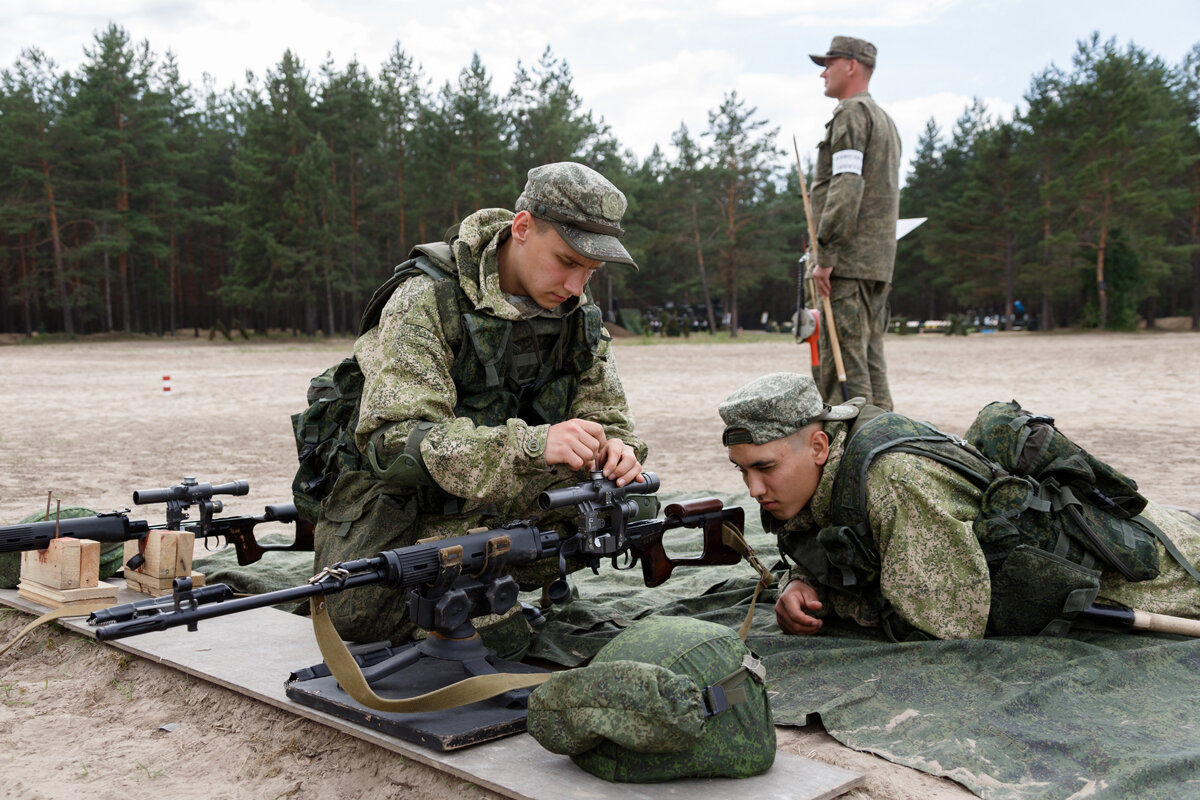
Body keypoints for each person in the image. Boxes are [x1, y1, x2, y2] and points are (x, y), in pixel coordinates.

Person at [314, 162, 648, 649]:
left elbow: (610, 418)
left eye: (590, 271)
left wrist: (618, 449)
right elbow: (395, 444)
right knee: (356, 610)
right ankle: (471, 576)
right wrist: (533, 446)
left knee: (629, 504)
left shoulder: (578, 315)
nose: (576, 286)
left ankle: (485, 577)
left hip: (502, 488)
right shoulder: (427, 298)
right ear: (522, 227)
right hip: (410, 493)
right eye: (567, 261)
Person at [719, 372, 1200, 641]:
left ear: (820, 446)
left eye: (765, 467)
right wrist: (799, 581)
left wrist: (834, 601)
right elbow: (818, 538)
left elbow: (948, 624)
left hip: (1156, 576)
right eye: (742, 470)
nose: (755, 488)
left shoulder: (893, 481)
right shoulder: (817, 474)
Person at [808, 36, 901, 410]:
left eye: (829, 64)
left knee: (843, 370)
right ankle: (887, 447)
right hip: (875, 264)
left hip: (845, 265)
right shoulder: (884, 120)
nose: (823, 74)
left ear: (852, 65)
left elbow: (847, 186)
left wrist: (825, 255)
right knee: (872, 364)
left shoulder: (851, 115)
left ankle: (854, 455)